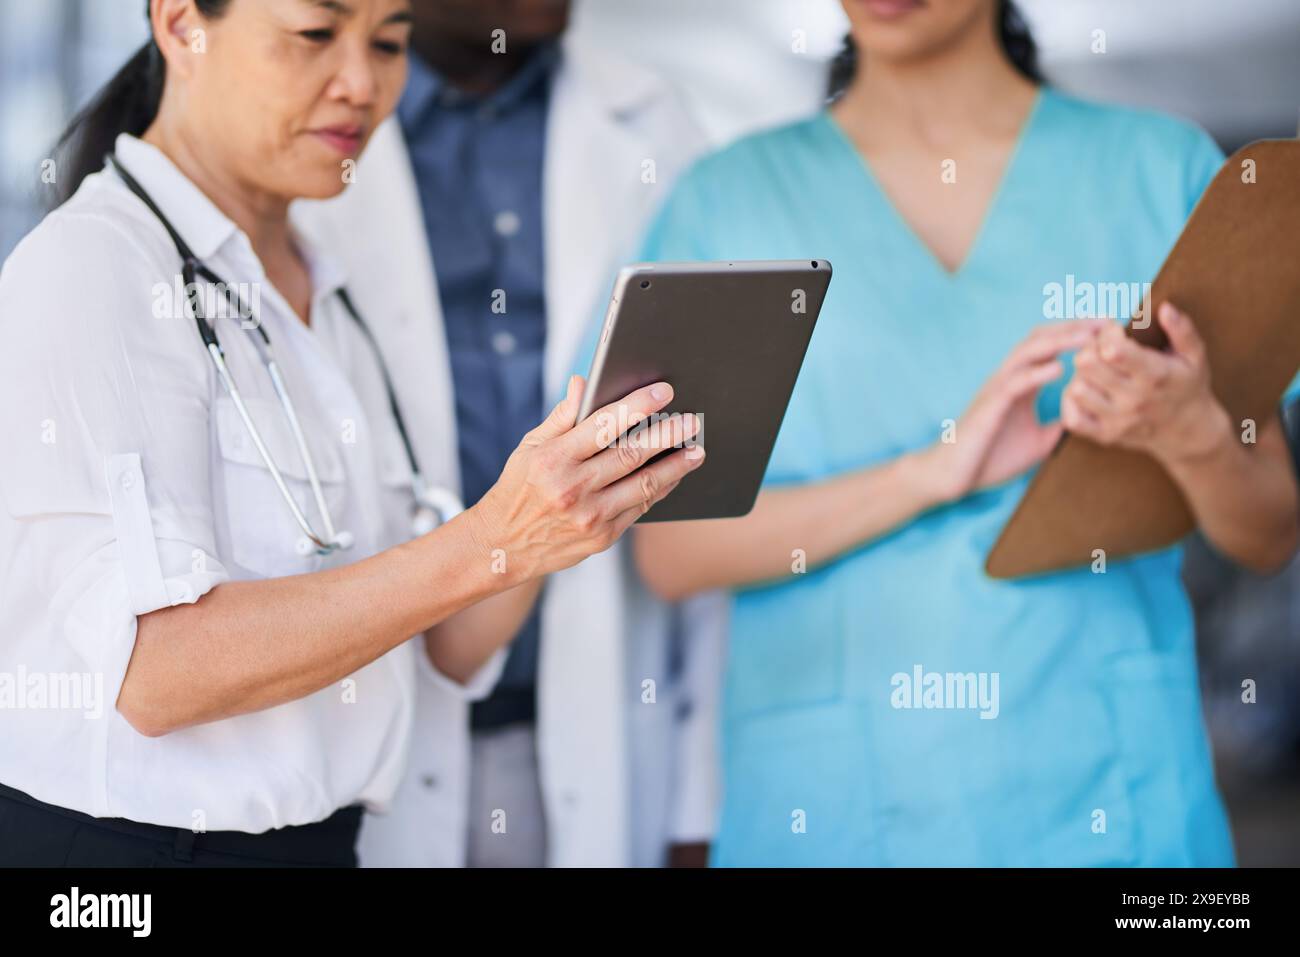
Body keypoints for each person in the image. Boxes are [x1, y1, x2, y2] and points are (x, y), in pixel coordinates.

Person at [0, 0, 703, 867]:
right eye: (313, 35)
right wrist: (494, 537)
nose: (363, 85)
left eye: (390, 43)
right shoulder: (92, 268)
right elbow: (156, 669)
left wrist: (573, 501)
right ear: (183, 26)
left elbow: (447, 643)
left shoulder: (324, 294)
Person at [624, 0, 1300, 865]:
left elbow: (1270, 531)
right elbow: (672, 554)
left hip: (1112, 802)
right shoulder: (728, 201)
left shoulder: (1157, 169)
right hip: (833, 810)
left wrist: (1194, 434)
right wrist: (931, 473)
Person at [294, 0, 727, 868]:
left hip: (597, 705)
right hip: (361, 732)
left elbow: (697, 469)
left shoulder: (655, 124)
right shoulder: (308, 139)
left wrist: (696, 798)